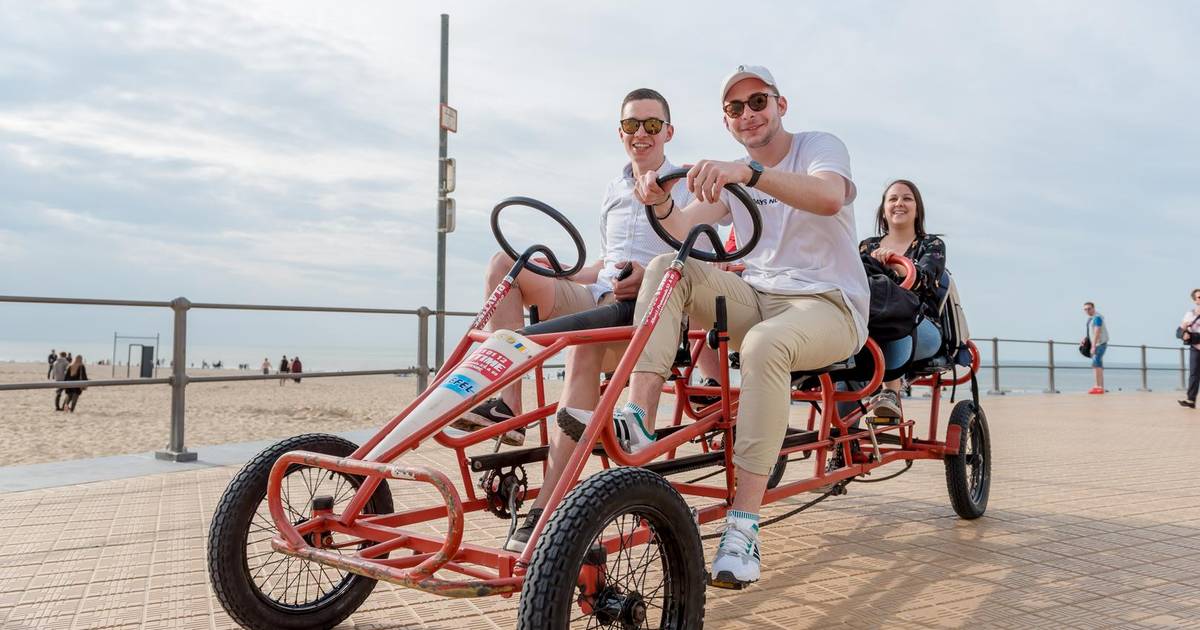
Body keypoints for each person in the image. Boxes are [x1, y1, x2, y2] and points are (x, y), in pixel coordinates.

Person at [616, 65, 867, 588]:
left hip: (829, 304)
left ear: (781, 105)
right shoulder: (733, 173)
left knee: (763, 345)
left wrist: (745, 174)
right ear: (726, 121)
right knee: (669, 268)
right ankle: (638, 415)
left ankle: (743, 527)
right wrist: (659, 200)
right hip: (760, 294)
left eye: (758, 102)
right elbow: (682, 229)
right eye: (736, 108)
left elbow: (828, 197)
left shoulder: (819, 147)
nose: (748, 114)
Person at [453, 87, 697, 448]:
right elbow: (604, 265)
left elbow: (702, 267)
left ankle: (551, 497)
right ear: (620, 132)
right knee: (505, 264)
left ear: (668, 132)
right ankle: (508, 405)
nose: (641, 133)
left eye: (651, 124)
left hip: (645, 313)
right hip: (600, 297)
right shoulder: (614, 189)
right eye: (632, 124)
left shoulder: (686, 186)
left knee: (581, 343)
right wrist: (556, 270)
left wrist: (649, 278)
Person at [859, 180, 946, 419]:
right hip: (869, 321)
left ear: (917, 209)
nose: (899, 203)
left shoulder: (931, 245)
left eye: (907, 198)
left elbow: (927, 278)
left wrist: (896, 266)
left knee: (897, 317)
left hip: (920, 324)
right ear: (883, 210)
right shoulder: (867, 246)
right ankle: (843, 439)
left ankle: (891, 392)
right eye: (893, 199)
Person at [1178, 289, 1200, 408]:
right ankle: (1191, 400)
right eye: (1199, 297)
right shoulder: (1190, 314)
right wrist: (1184, 333)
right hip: (1195, 348)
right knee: (1194, 375)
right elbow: (1179, 331)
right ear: (1195, 300)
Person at [1083, 301, 1108, 394]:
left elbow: (1097, 332)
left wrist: (1093, 346)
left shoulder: (1097, 318)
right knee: (1098, 365)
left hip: (1099, 344)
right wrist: (1085, 339)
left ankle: (1097, 387)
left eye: (1089, 308)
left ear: (1093, 308)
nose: (1087, 311)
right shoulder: (1091, 318)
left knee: (1095, 365)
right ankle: (1100, 387)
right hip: (1098, 343)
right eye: (1085, 309)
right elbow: (1091, 332)